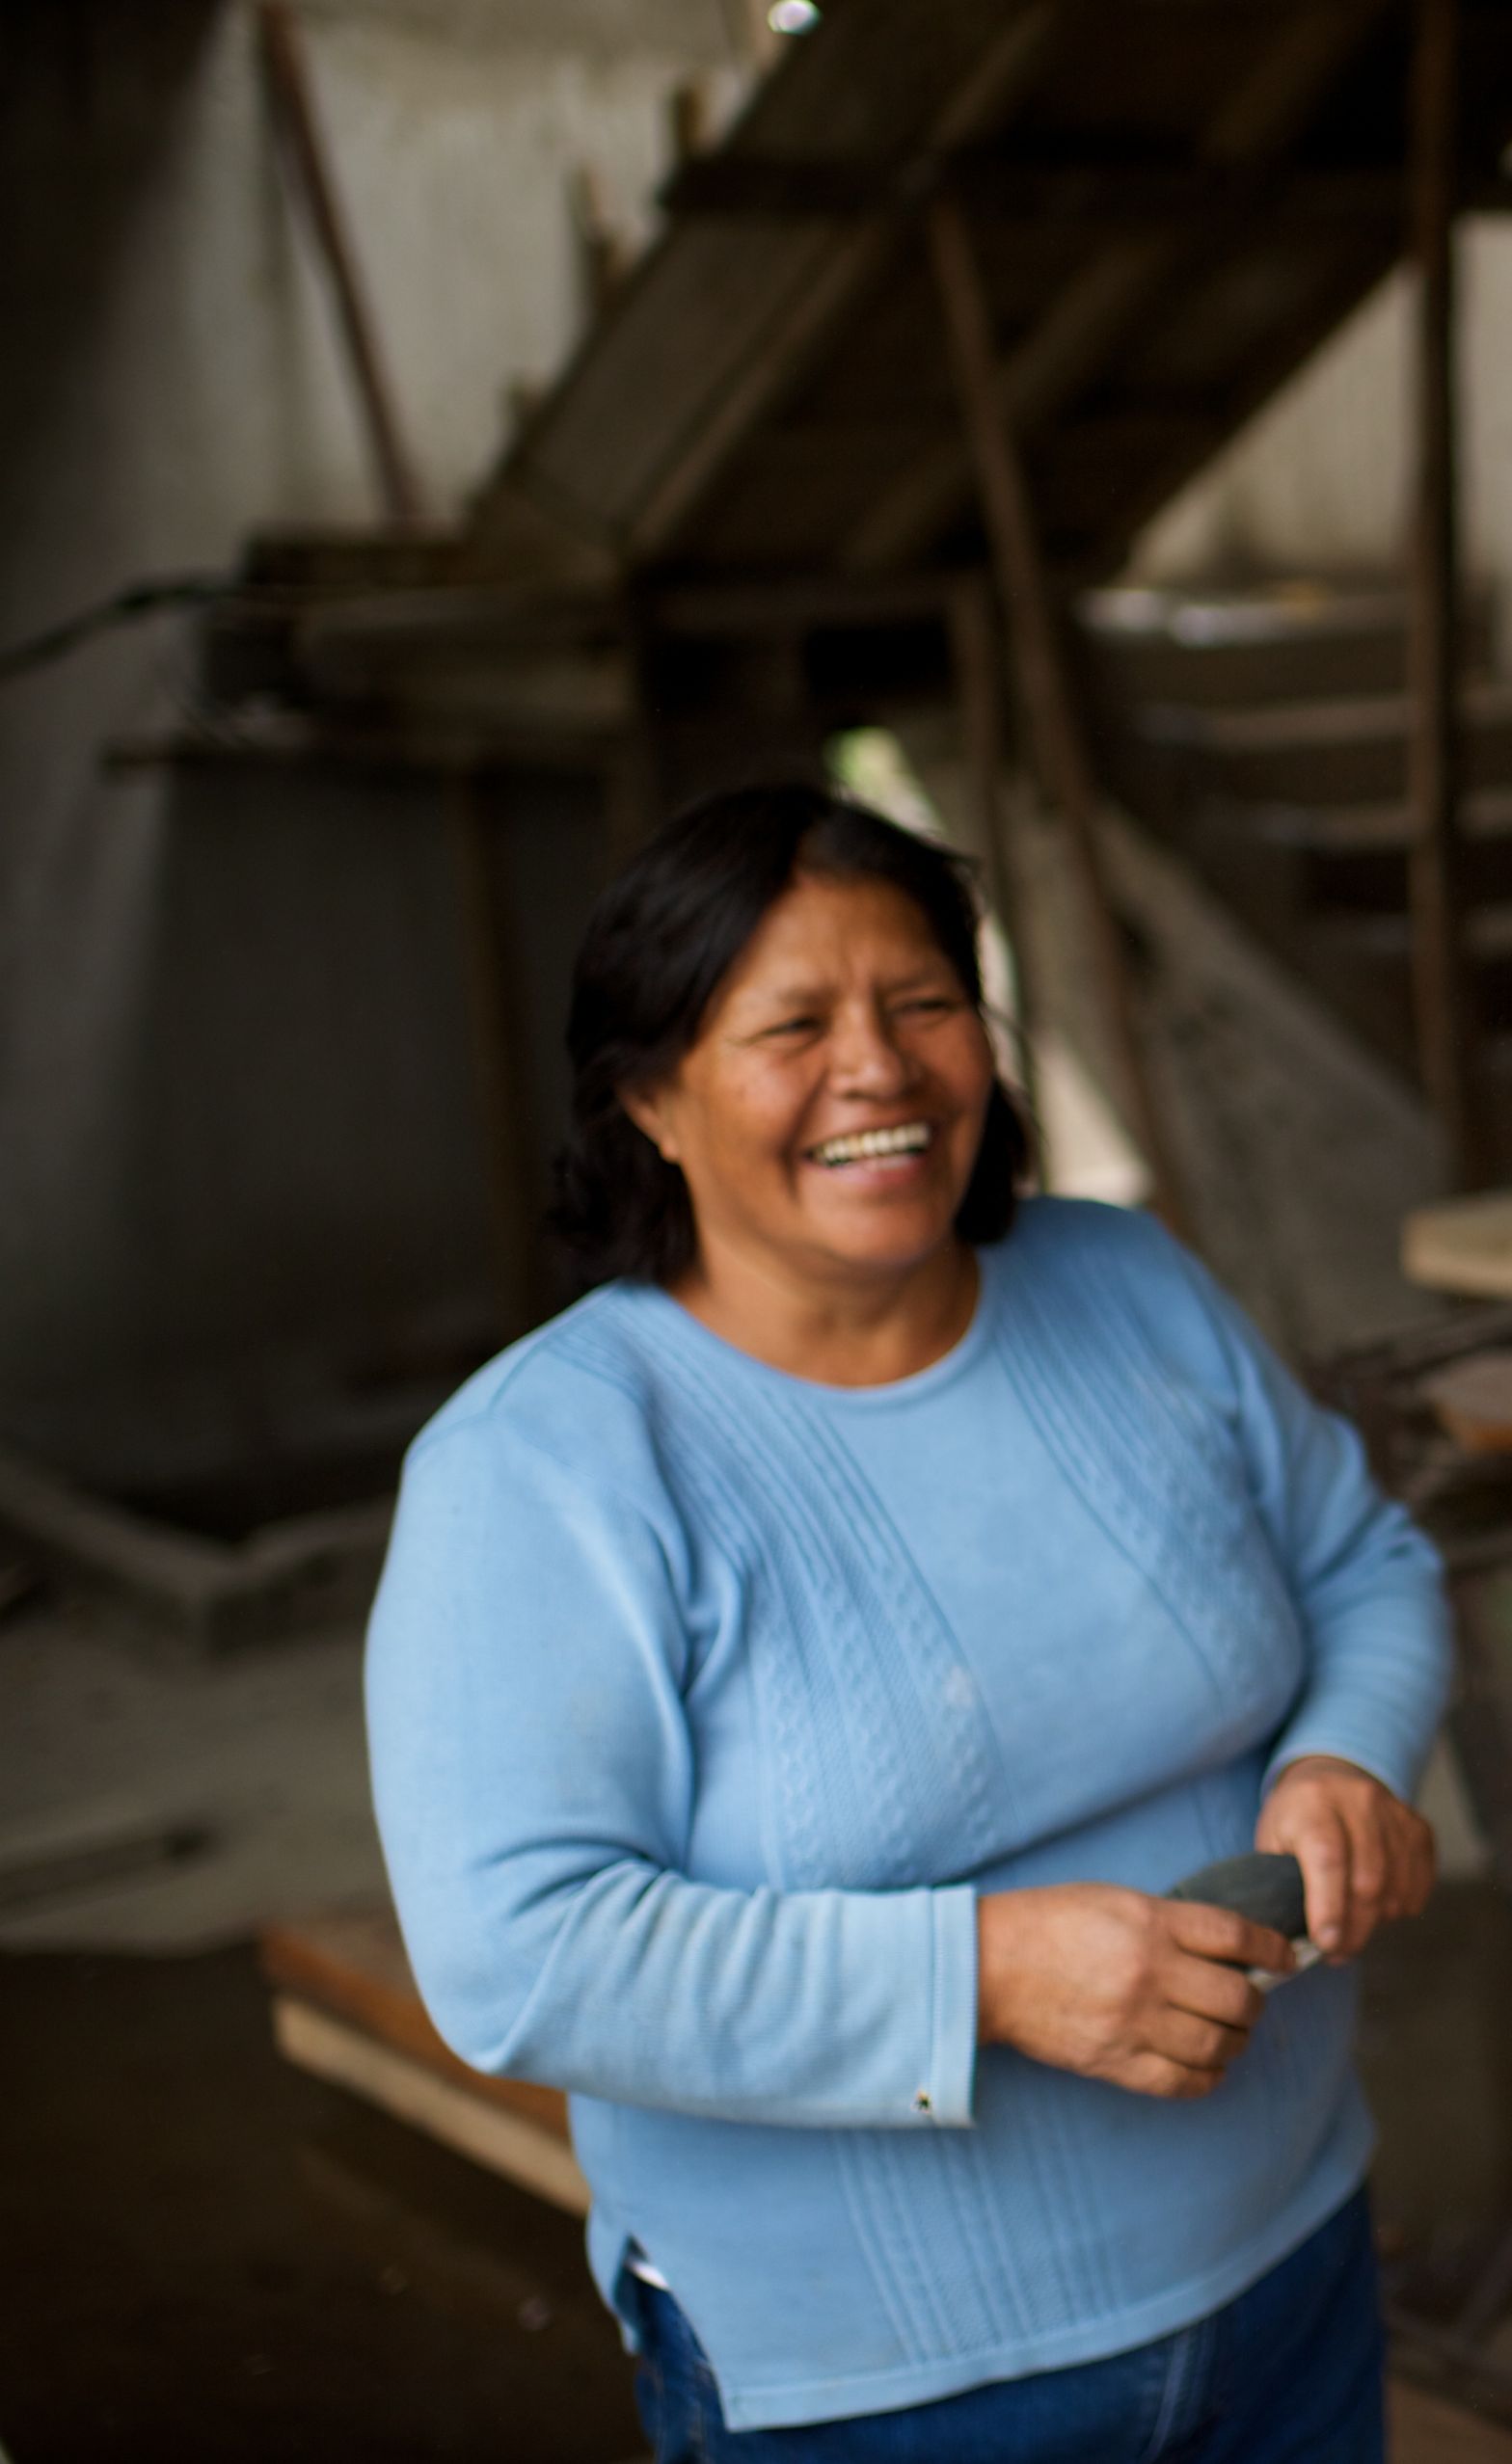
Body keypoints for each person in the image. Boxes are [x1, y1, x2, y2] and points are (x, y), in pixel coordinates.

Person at [367, 785, 1446, 2461]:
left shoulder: (1131, 1283)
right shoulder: (545, 1465)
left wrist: (1346, 1758)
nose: (877, 1068)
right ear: (651, 1098)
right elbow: (521, 1954)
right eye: (790, 1026)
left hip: (1289, 2272)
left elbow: (1364, 1563)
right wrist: (991, 1977)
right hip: (880, 2398)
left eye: (925, 1003)